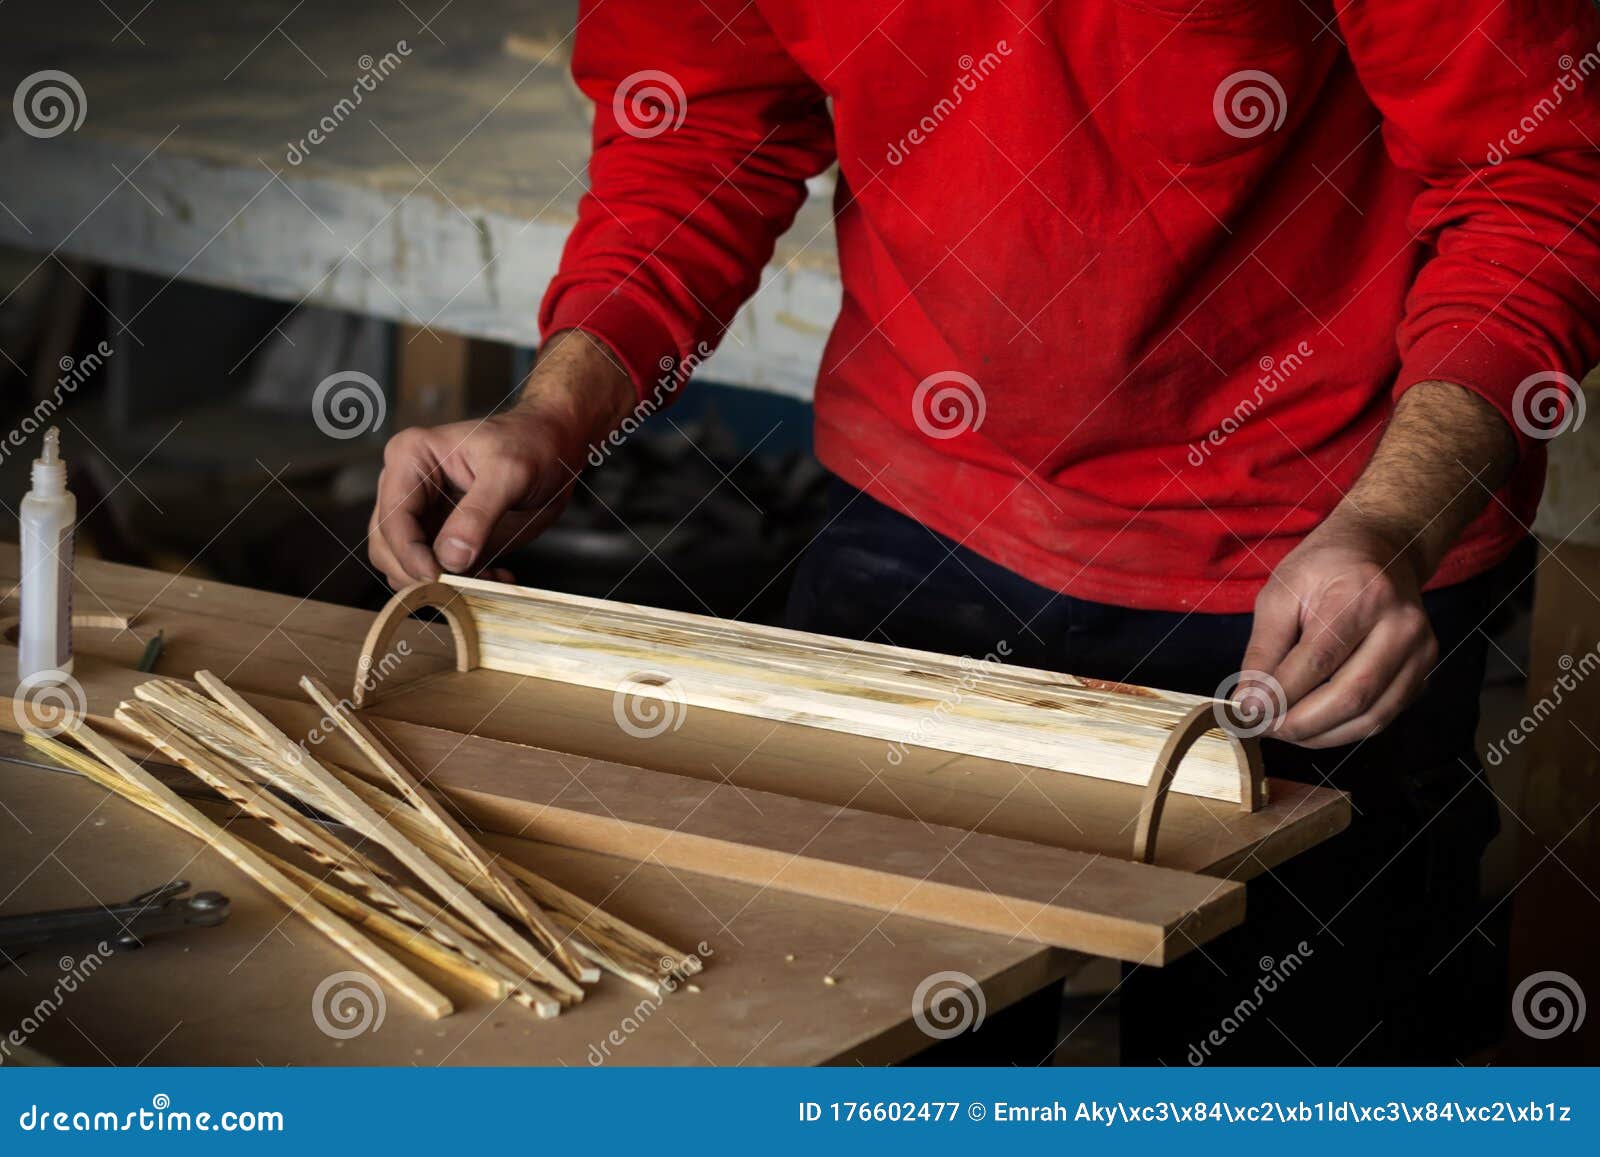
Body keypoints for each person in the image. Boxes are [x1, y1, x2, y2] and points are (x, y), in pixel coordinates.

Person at [368, 3, 1600, 1062]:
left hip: (1320, 551)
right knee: (869, 1049)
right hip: (920, 508)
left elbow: (1537, 174)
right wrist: (558, 410)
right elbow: (702, 124)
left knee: (1292, 1069)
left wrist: (1391, 523)